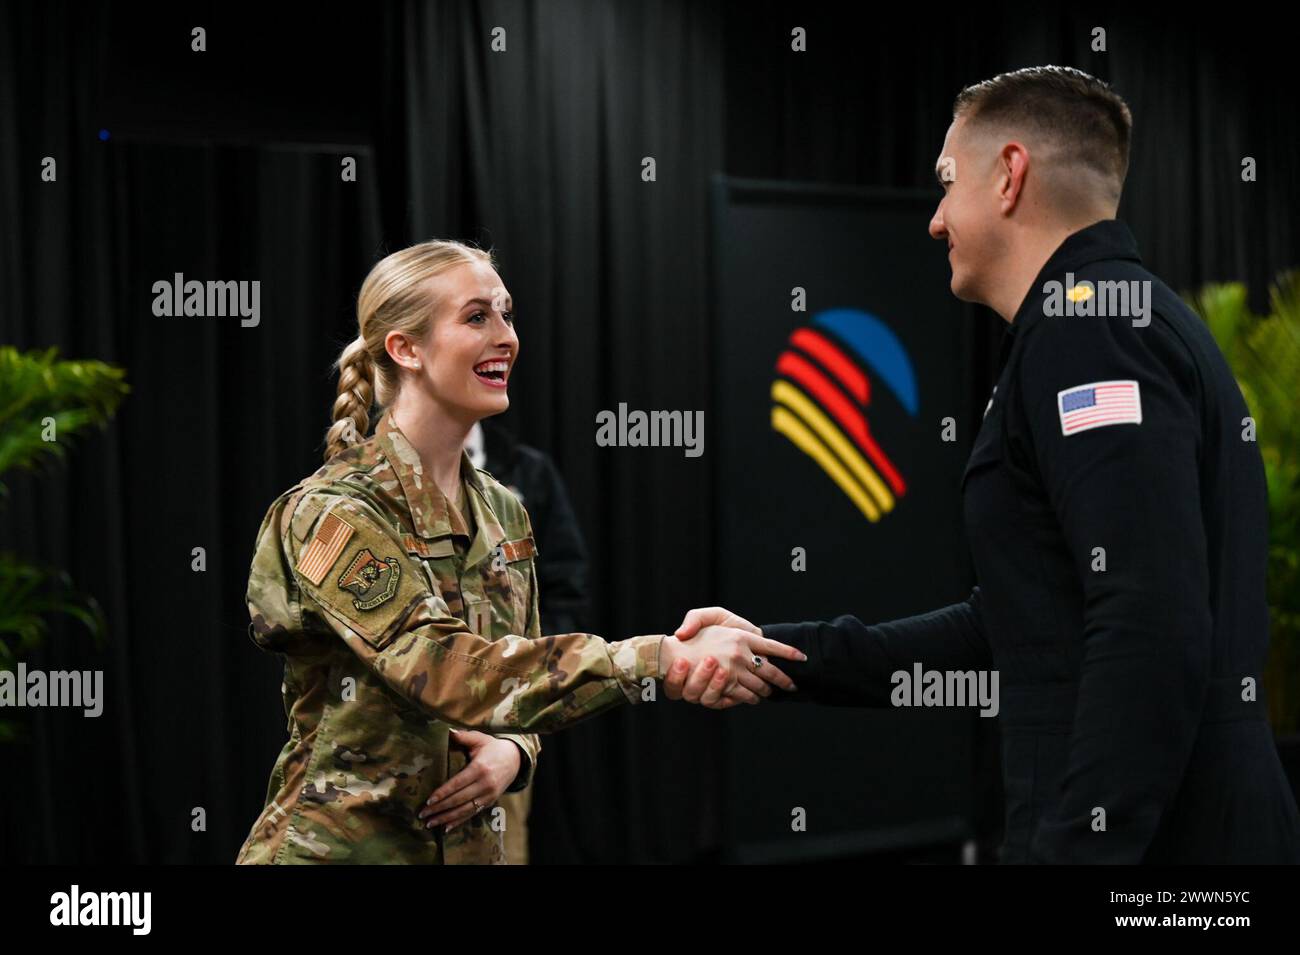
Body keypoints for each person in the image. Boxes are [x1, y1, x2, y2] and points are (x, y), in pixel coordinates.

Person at [669, 66, 1300, 864]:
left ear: (1009, 174)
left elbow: (1150, 620)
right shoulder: (1104, 321)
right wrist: (784, 650)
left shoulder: (1089, 331)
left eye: (945, 183)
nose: (934, 221)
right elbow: (1017, 619)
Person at [236, 239, 800, 864]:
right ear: (406, 349)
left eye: (507, 314)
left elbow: (515, 665)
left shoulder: (503, 509)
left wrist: (516, 749)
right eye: (477, 317)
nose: (506, 336)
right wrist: (659, 658)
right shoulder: (334, 512)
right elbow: (444, 668)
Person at [464, 419, 593, 863]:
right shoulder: (364, 483)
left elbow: (565, 586)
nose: (503, 347)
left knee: (500, 845)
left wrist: (525, 689)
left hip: (502, 714)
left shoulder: (525, 474)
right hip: (401, 723)